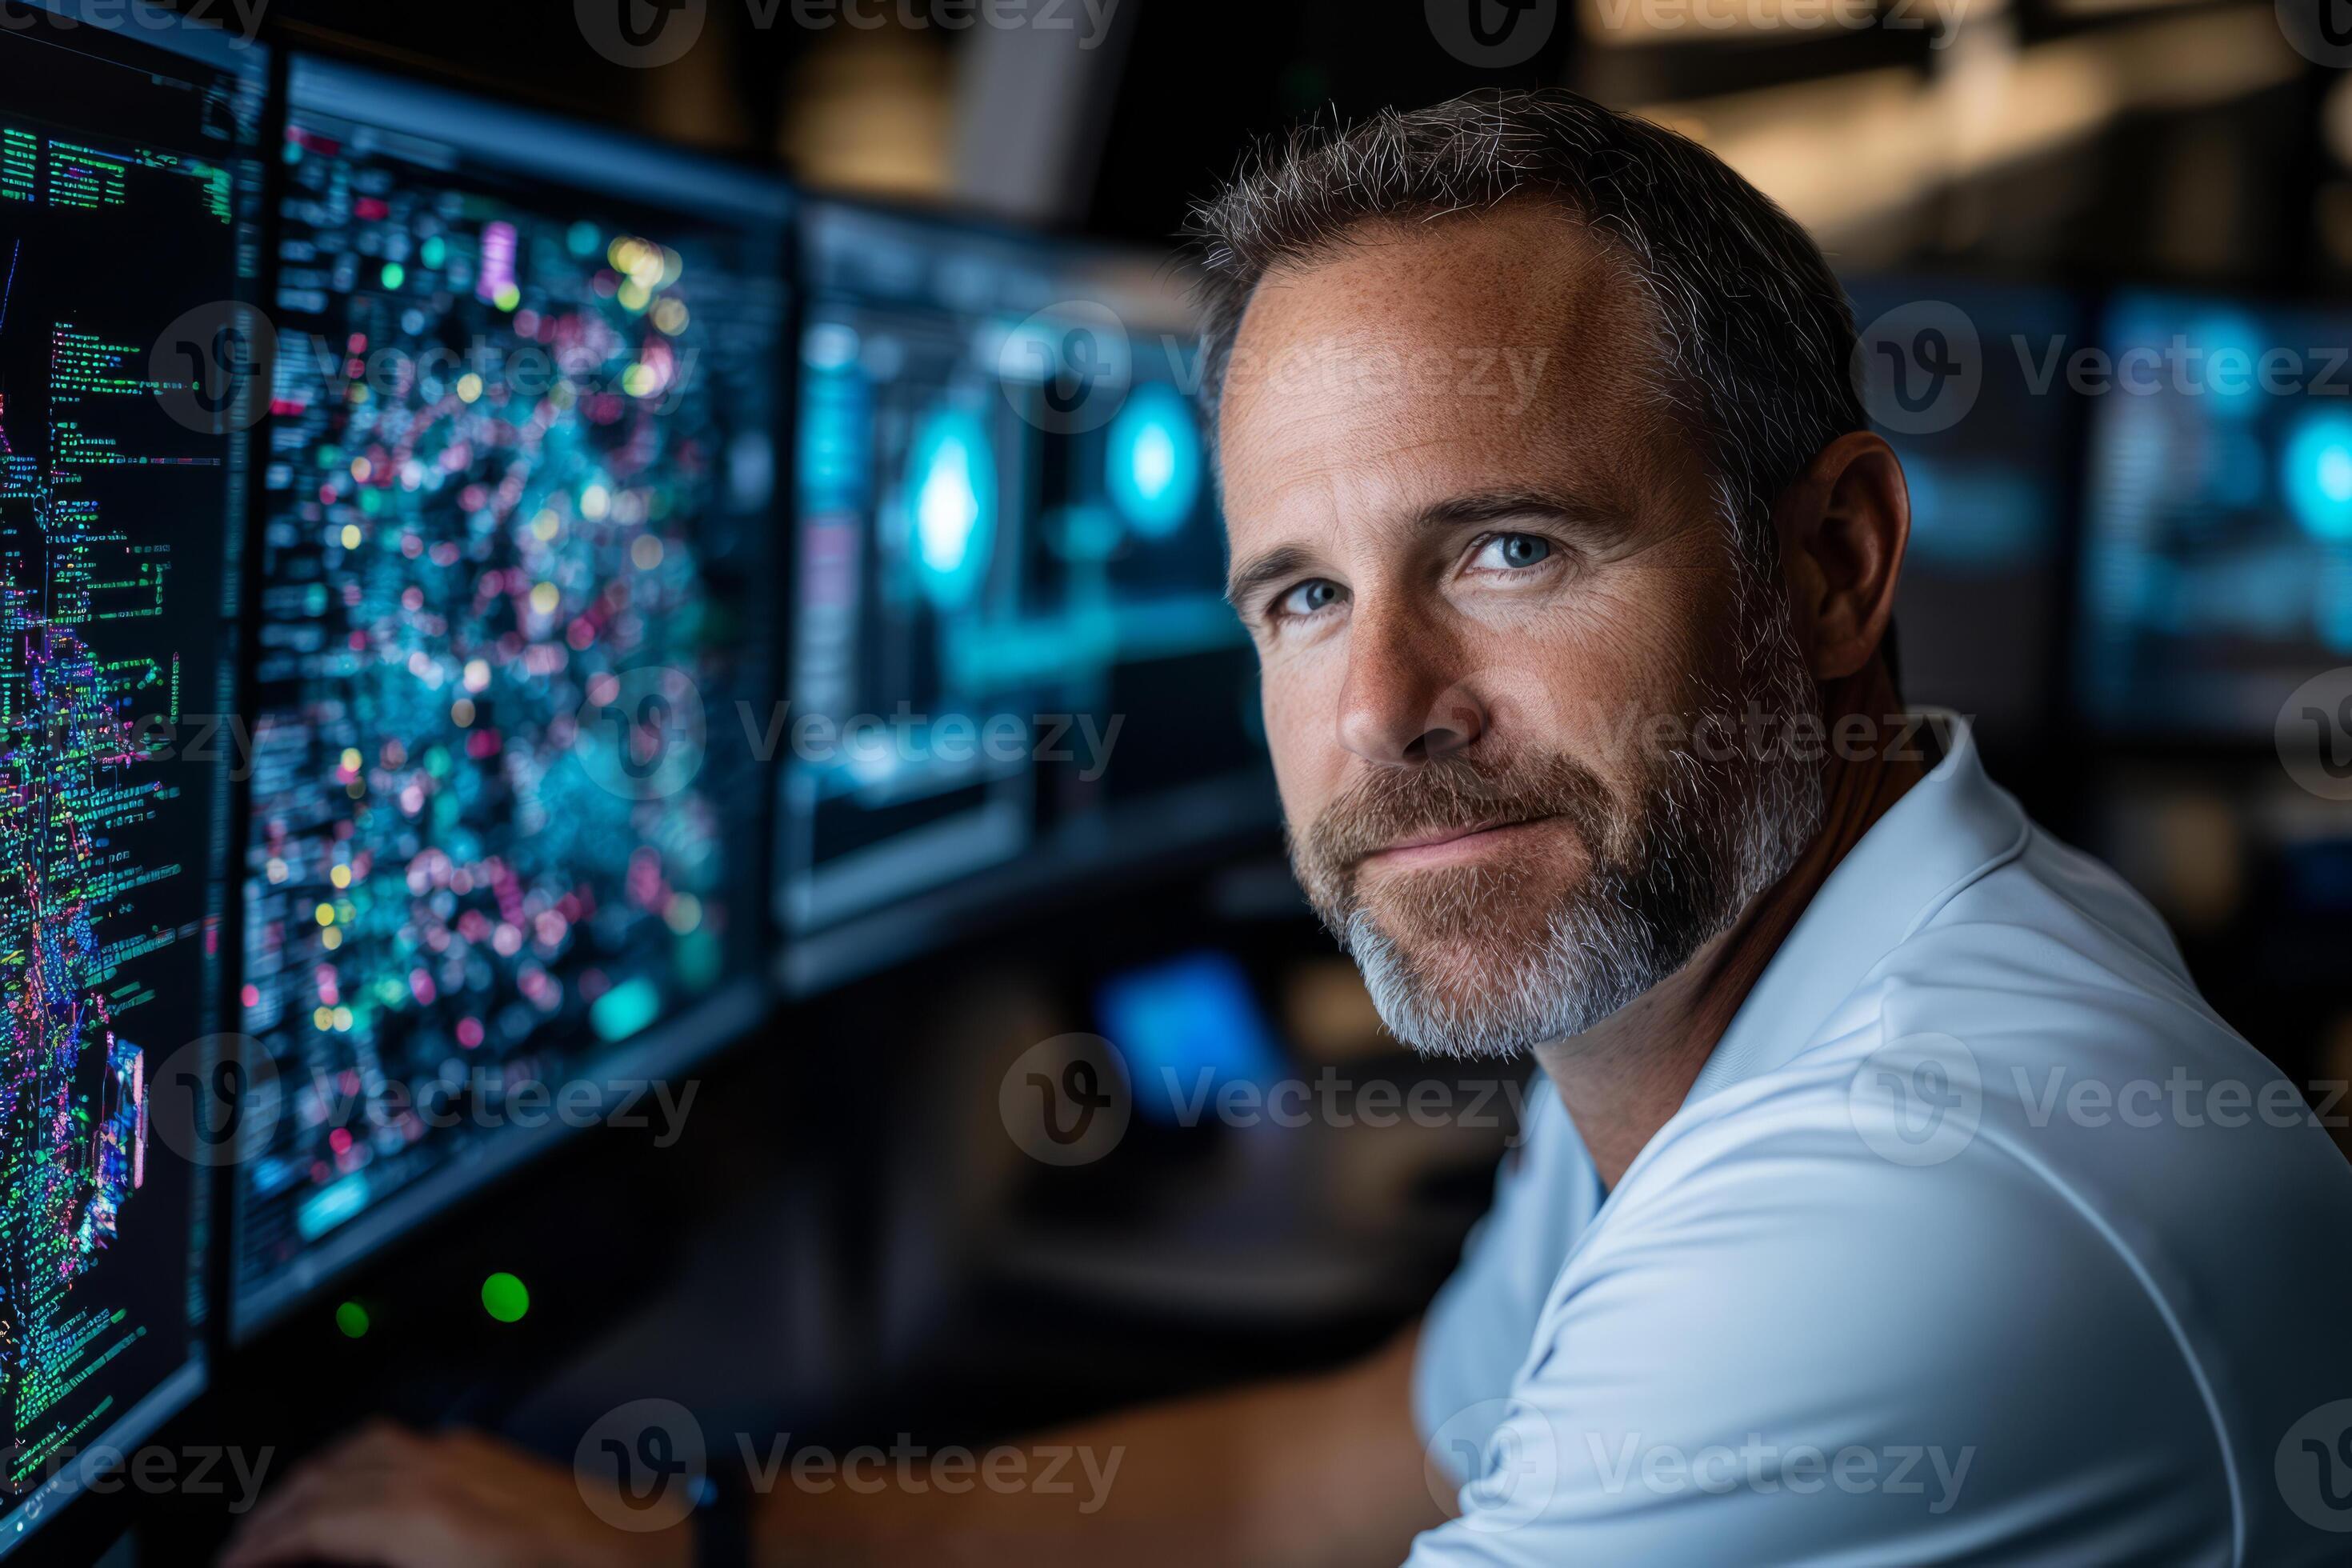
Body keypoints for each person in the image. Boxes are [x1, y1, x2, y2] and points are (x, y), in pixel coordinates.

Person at [222, 89, 2352, 1567]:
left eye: (1509, 549)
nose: (1382, 716)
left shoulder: (1907, 1201)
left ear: (1826, 567)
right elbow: (1338, 1481)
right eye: (1301, 597)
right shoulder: (1725, 986)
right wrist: (676, 1544)